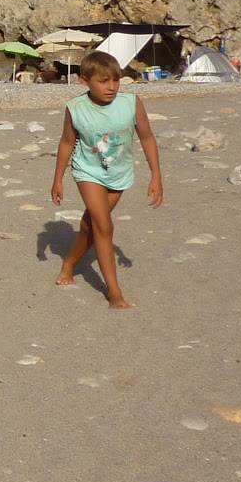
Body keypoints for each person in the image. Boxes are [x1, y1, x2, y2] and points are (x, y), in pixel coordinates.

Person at [50, 51, 163, 309]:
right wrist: (58, 179)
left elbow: (147, 137)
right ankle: (114, 292)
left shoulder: (131, 103)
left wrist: (156, 176)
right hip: (87, 172)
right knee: (104, 225)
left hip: (118, 173)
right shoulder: (76, 108)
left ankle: (69, 263)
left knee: (90, 226)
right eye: (103, 81)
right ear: (84, 81)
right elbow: (67, 142)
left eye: (116, 80)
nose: (111, 87)